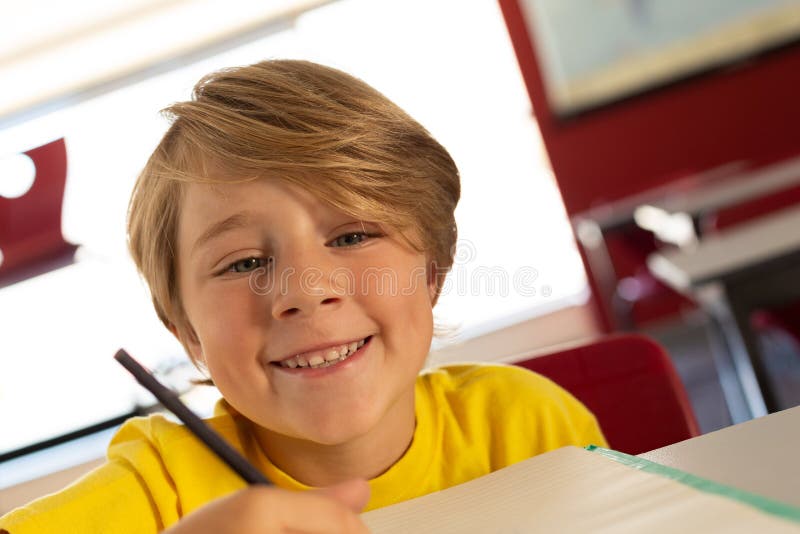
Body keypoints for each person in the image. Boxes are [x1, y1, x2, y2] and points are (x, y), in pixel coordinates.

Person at [0, 59, 606, 533]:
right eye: (244, 263)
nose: (306, 292)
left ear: (432, 273)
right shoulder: (161, 489)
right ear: (186, 333)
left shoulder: (525, 427)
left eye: (352, 236)